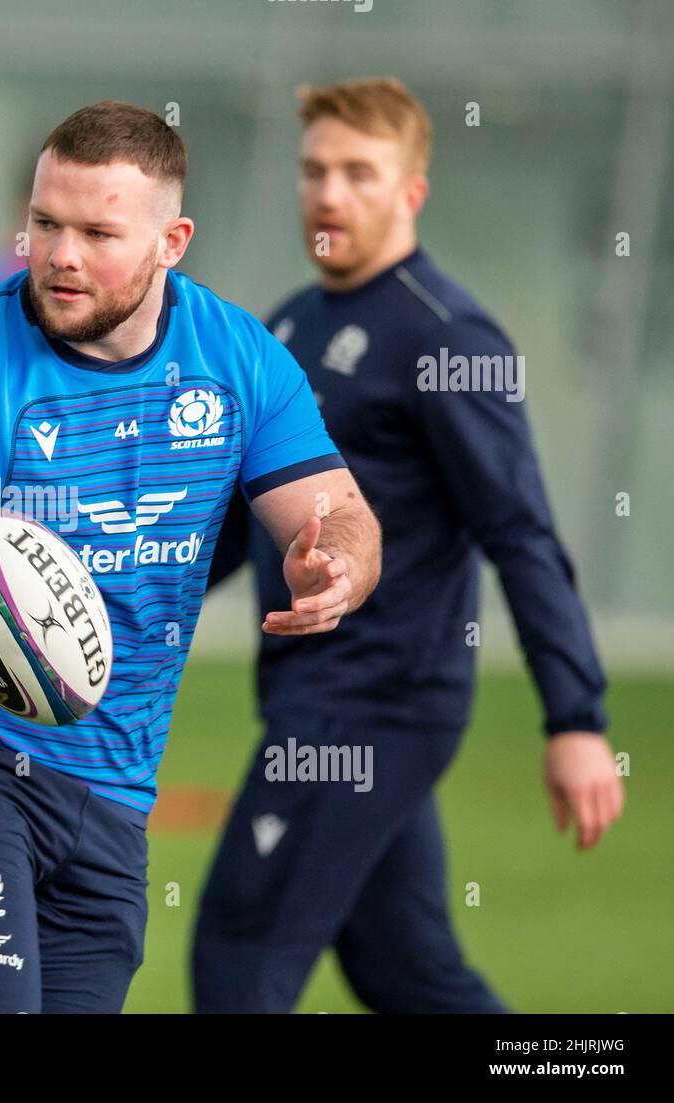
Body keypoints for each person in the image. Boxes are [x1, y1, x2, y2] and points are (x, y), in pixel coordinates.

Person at [0, 100, 382, 1013]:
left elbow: (340, 511)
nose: (59, 254)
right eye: (43, 223)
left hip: (113, 787)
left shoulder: (238, 360)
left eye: (96, 231)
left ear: (172, 240)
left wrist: (341, 566)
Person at [192, 78, 624, 1014]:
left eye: (359, 172)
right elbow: (240, 516)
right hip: (315, 691)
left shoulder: (449, 337)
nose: (329, 193)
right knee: (407, 971)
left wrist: (576, 718)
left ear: (411, 192)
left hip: (376, 701)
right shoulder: (291, 323)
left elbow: (521, 532)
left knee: (237, 945)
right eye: (314, 171)